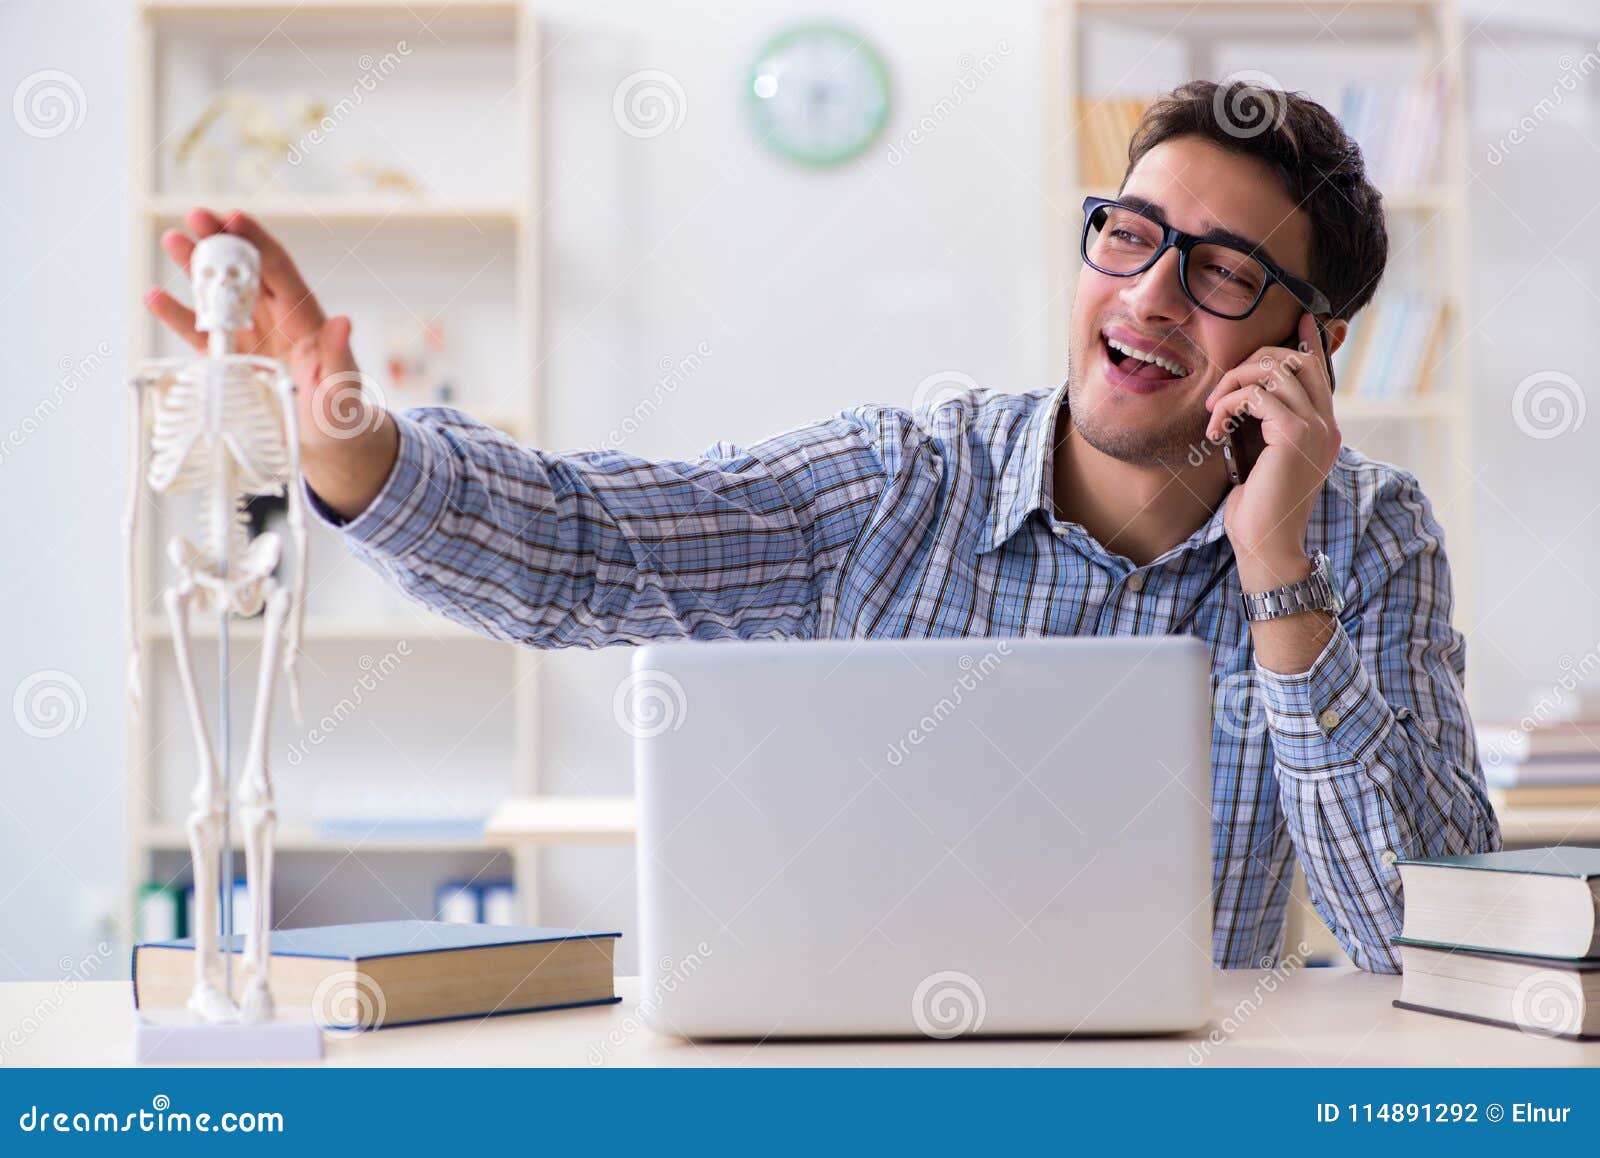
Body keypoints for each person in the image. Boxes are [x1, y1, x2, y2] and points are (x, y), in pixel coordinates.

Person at [145, 79, 1498, 972]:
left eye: (1218, 272)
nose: (1145, 296)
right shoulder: (906, 482)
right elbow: (599, 547)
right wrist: (350, 440)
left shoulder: (1369, 540)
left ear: (1309, 346)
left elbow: (1422, 942)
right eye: (1127, 234)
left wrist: (1277, 569)